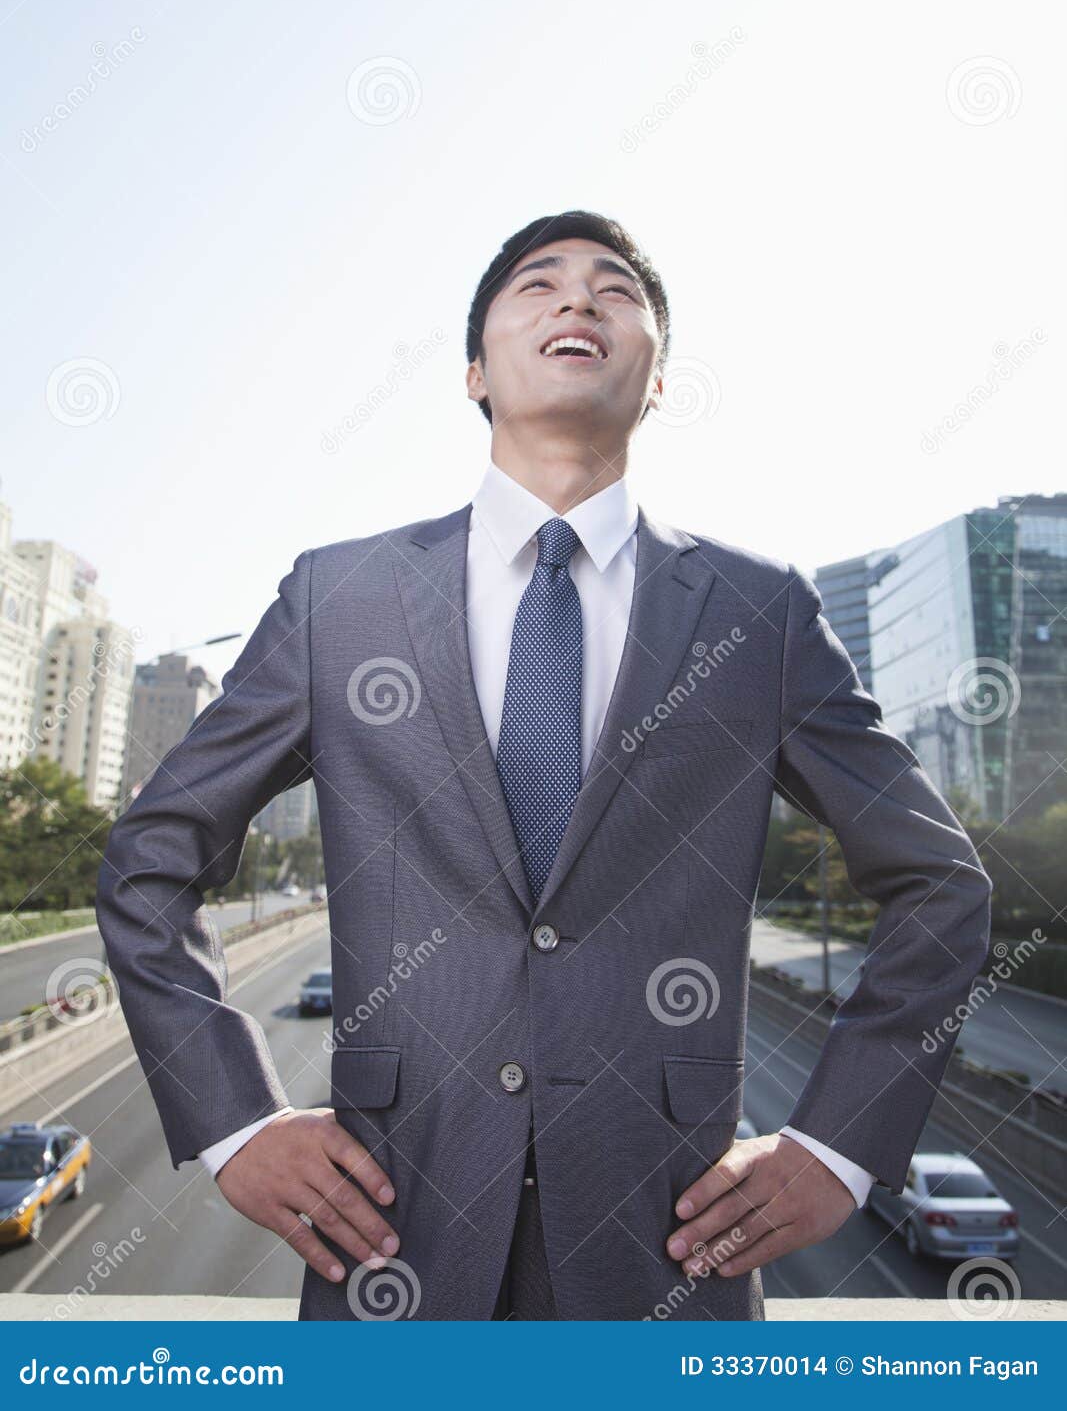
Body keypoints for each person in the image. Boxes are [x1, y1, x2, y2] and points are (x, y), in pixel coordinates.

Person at [97, 210, 992, 1321]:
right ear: (475, 369)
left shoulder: (757, 614)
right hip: (391, 1242)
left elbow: (941, 884)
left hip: (669, 1250)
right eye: (538, 284)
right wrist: (237, 1119)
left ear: (656, 378)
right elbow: (151, 858)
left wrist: (838, 1143)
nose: (577, 300)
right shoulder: (339, 600)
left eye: (614, 289)